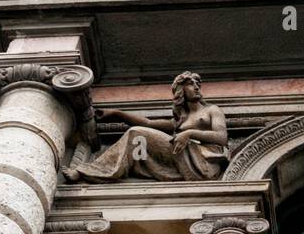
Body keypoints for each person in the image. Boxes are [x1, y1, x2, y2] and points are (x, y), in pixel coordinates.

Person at [71, 71, 229, 182]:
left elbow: (221, 137)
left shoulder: (212, 110)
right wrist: (118, 113)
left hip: (205, 164)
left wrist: (189, 134)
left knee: (135, 133)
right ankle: (95, 171)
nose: (196, 87)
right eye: (190, 84)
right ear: (181, 91)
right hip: (184, 158)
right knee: (137, 135)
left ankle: (91, 172)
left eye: (197, 84)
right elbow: (148, 123)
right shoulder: (179, 122)